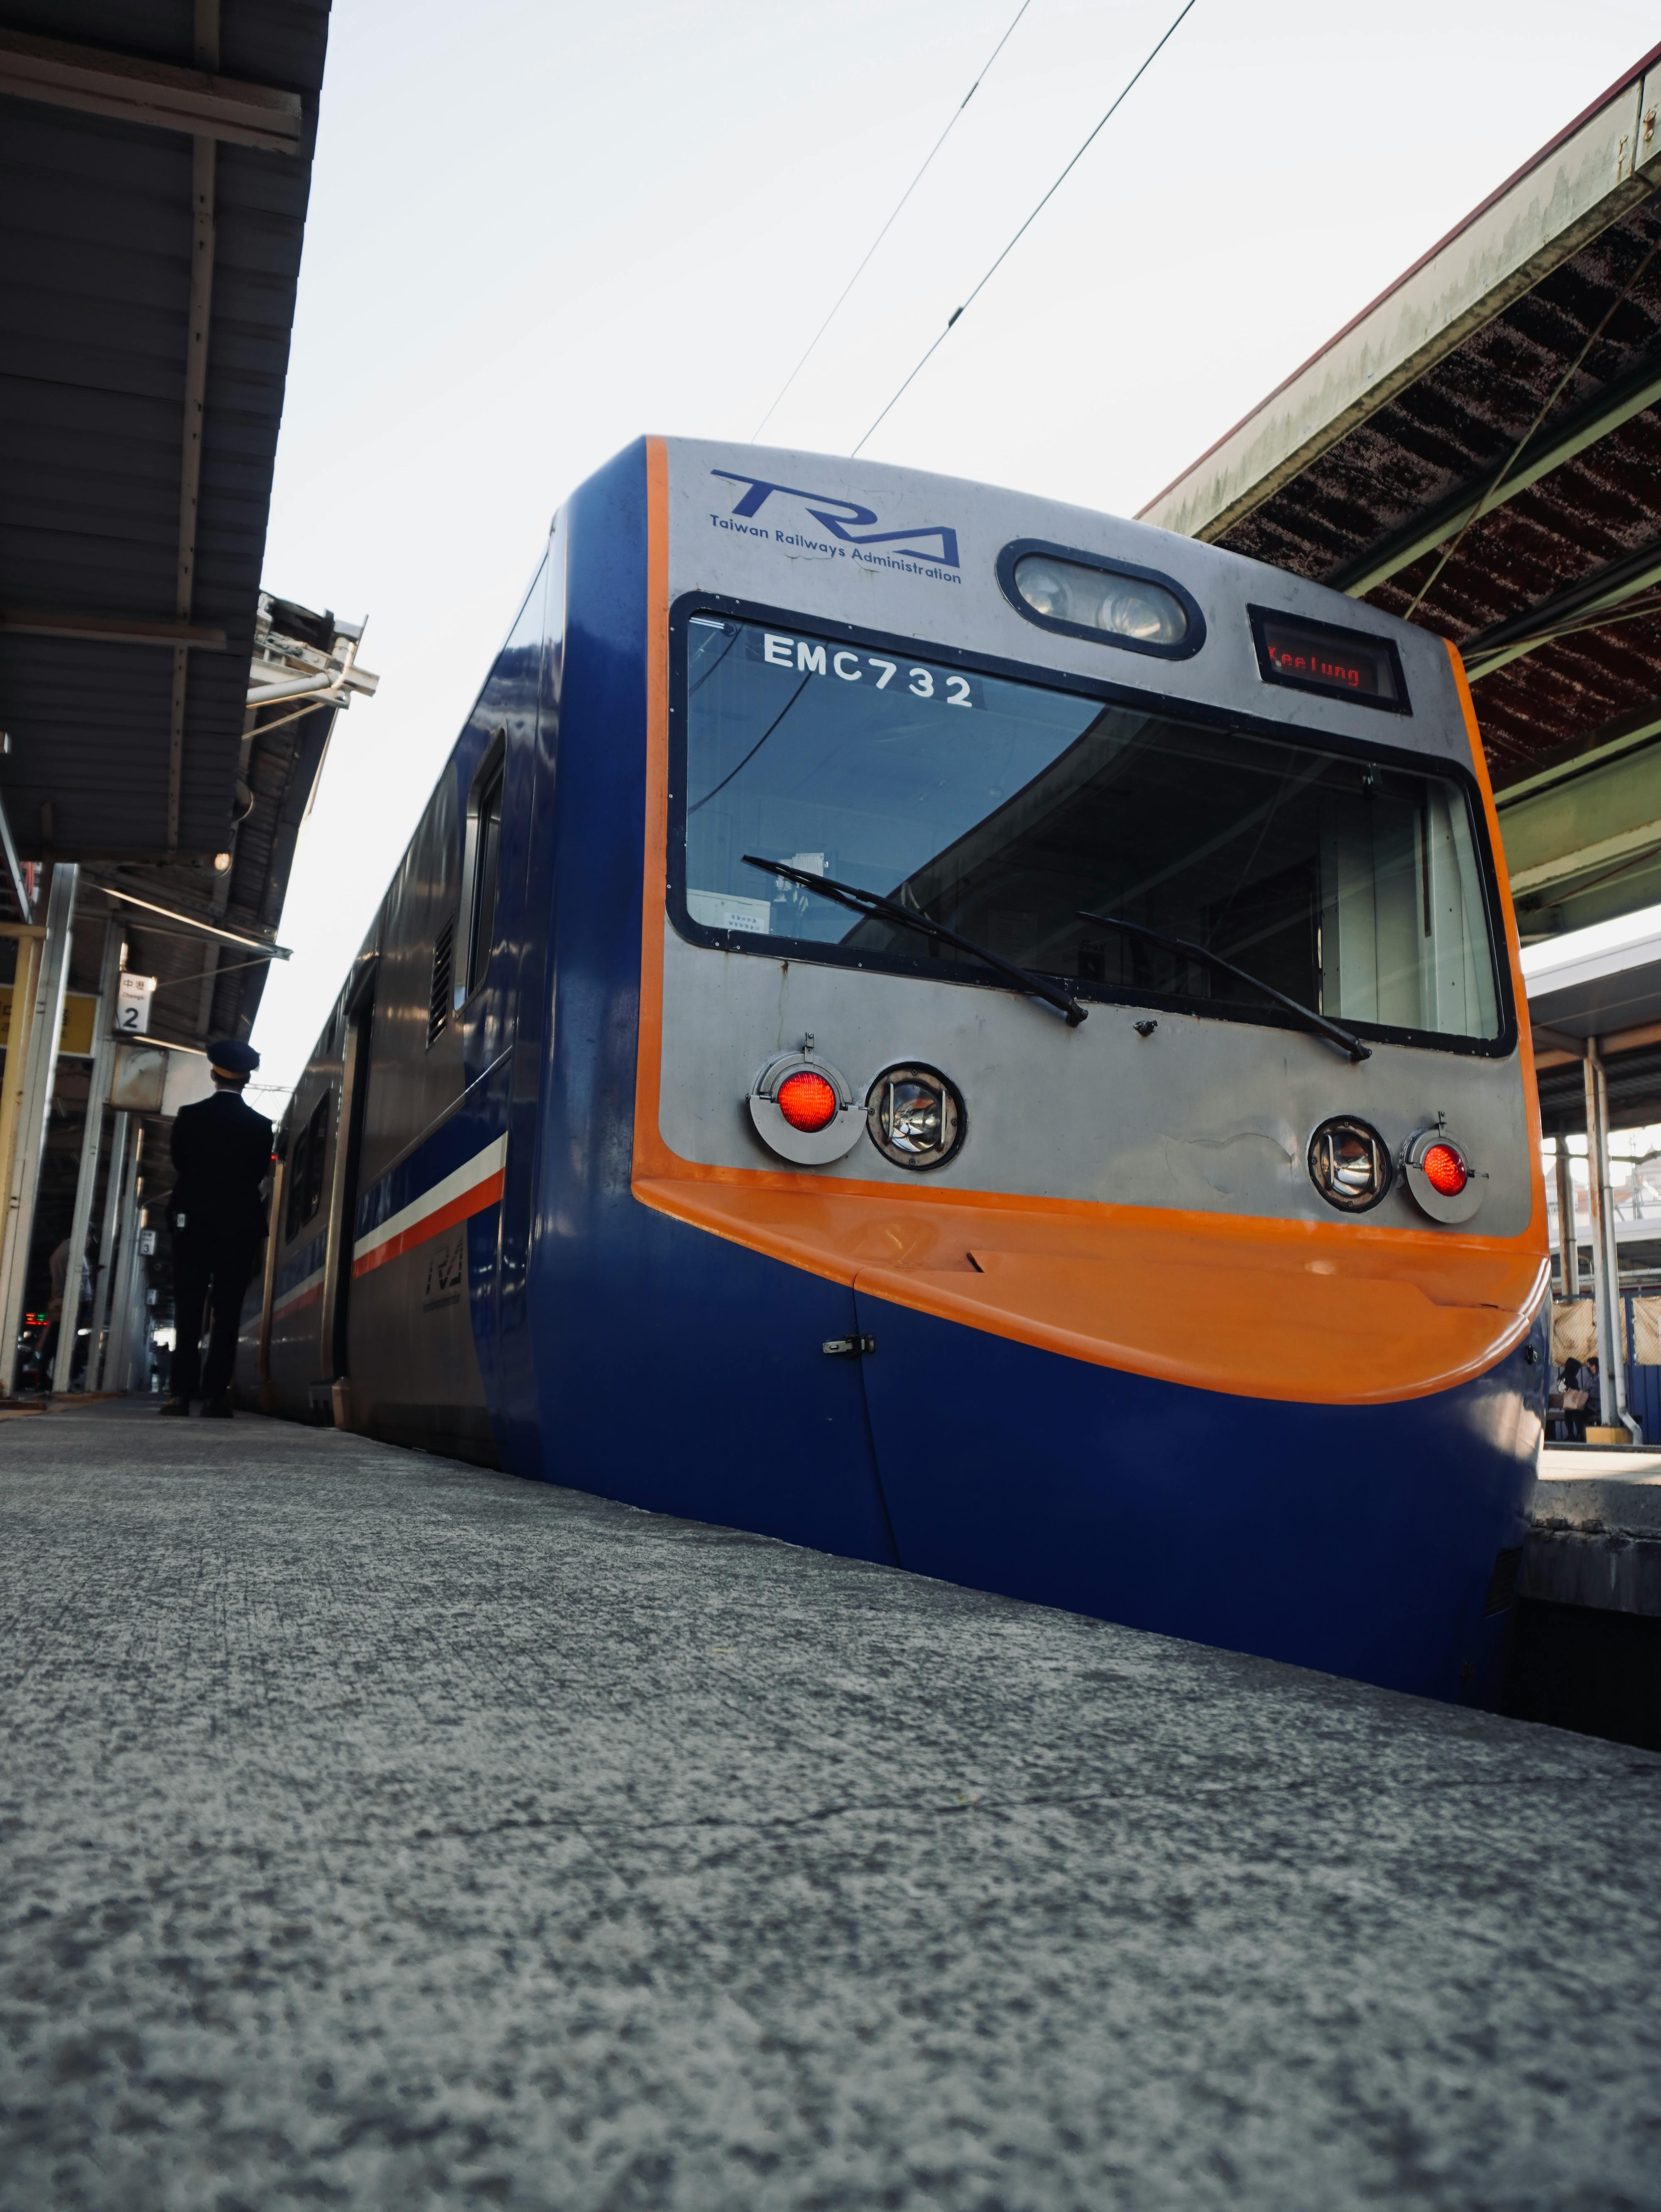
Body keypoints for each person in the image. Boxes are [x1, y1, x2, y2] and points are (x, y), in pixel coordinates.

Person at [159, 1039, 273, 1417]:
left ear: (213, 1074)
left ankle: (179, 1395)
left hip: (191, 1222)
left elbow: (180, 1163)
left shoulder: (190, 1117)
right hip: (239, 1226)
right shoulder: (260, 1127)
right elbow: (257, 1174)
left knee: (189, 1307)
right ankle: (215, 1397)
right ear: (247, 1080)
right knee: (227, 1311)